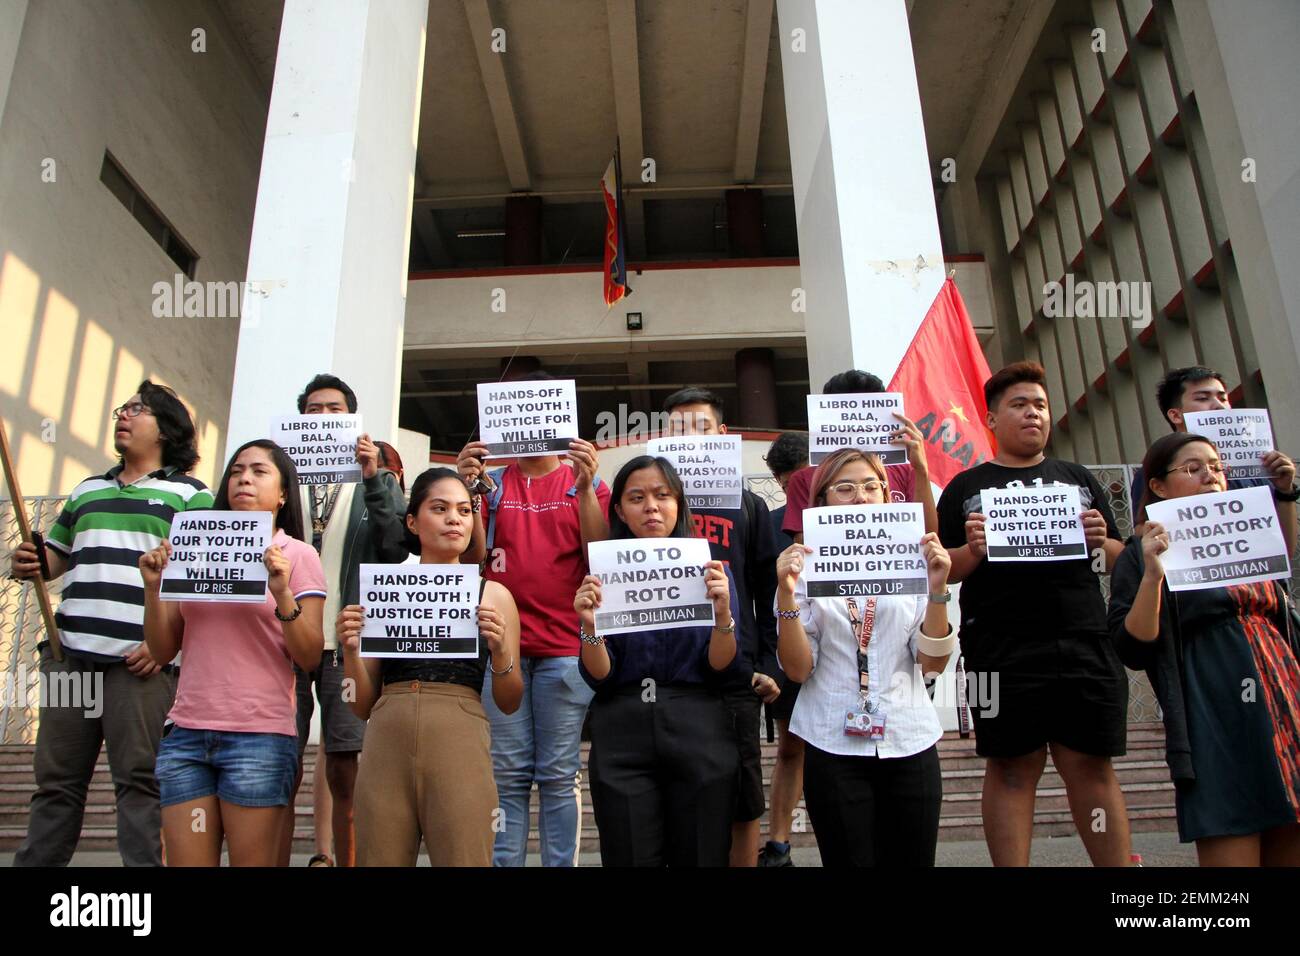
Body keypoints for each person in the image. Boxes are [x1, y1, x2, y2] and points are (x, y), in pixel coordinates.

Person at [10, 381, 213, 867]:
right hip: (68, 659)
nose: (122, 415)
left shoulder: (192, 496)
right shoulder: (87, 490)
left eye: (137, 410)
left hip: (139, 664)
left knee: (139, 783)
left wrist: (165, 646)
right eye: (123, 408)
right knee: (55, 784)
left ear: (166, 428)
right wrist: (30, 561)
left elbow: (201, 584)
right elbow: (56, 560)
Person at [937, 361, 1132, 866]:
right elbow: (945, 569)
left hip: (1085, 641)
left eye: (1040, 406)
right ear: (991, 419)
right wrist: (974, 550)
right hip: (995, 650)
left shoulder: (1079, 479)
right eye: (1019, 405)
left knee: (1091, 765)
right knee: (1007, 766)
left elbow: (1121, 560)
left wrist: (1101, 542)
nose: (1033, 414)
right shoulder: (963, 487)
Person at [1108, 433, 1300, 866]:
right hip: (1212, 707)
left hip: (1282, 693)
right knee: (1230, 829)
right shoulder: (1142, 553)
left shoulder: (1252, 534)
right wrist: (1154, 576)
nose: (1210, 475)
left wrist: (1286, 495)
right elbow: (1133, 647)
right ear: (1158, 486)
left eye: (1215, 467)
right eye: (1193, 469)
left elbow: (1283, 575)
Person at [139, 440, 325, 866]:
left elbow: (309, 655)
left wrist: (281, 592)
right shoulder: (188, 549)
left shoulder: (298, 555)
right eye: (238, 470)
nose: (244, 478)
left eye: (260, 471)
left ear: (282, 494)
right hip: (186, 734)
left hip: (259, 737)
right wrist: (153, 587)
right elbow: (164, 648)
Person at [457, 370, 610, 867]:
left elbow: (600, 555)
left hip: (566, 650)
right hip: (504, 650)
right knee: (508, 772)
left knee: (560, 773)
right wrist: (469, 493)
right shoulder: (492, 484)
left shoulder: (586, 482)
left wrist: (586, 490)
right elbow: (472, 557)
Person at [774, 449, 957, 866]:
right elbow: (799, 669)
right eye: (846, 488)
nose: (861, 496)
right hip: (830, 739)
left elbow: (930, 665)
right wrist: (786, 594)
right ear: (820, 504)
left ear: (888, 497)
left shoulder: (914, 560)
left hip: (909, 736)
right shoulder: (801, 569)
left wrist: (937, 589)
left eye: (872, 486)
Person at [337, 467, 523, 866]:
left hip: (461, 738)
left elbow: (510, 701)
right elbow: (360, 705)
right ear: (412, 520)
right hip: (386, 737)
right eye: (439, 508)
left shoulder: (494, 595)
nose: (454, 519)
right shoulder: (382, 591)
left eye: (464, 510)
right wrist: (352, 650)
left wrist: (502, 652)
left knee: (465, 857)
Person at [574, 455, 741, 866]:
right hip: (622, 726)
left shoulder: (713, 572)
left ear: (679, 504)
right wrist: (590, 626)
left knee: (703, 852)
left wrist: (722, 616)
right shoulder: (600, 579)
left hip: (698, 723)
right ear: (618, 510)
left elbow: (722, 665)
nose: (651, 506)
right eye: (637, 497)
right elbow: (600, 674)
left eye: (662, 495)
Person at [287, 373, 409, 868]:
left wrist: (373, 478)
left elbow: (396, 546)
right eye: (313, 410)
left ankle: (347, 859)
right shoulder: (281, 480)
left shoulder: (372, 479)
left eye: (334, 409)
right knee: (278, 757)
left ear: (353, 418)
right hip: (286, 639)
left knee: (344, 761)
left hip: (345, 643)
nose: (323, 418)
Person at [662, 387, 780, 867]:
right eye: (678, 431)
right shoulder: (649, 506)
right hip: (668, 675)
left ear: (723, 435)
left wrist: (768, 662)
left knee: (742, 794)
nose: (691, 440)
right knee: (674, 792)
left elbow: (768, 590)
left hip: (735, 672)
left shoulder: (748, 507)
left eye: (701, 428)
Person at [1129, 366, 1297, 556]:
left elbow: (1284, 551)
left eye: (1223, 398)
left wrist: (1285, 491)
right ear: (1175, 415)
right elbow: (1143, 535)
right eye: (1203, 398)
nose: (1219, 406)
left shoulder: (1258, 468)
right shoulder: (1156, 468)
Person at [782, 370, 937, 543]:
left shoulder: (907, 470)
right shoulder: (804, 479)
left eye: (872, 487)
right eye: (844, 489)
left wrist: (921, 470)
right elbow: (805, 546)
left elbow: (928, 535)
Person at [759, 430, 810, 867]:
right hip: (788, 656)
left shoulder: (860, 513)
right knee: (791, 749)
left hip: (854, 655)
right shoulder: (771, 525)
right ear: (779, 483)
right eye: (792, 480)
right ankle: (777, 843)